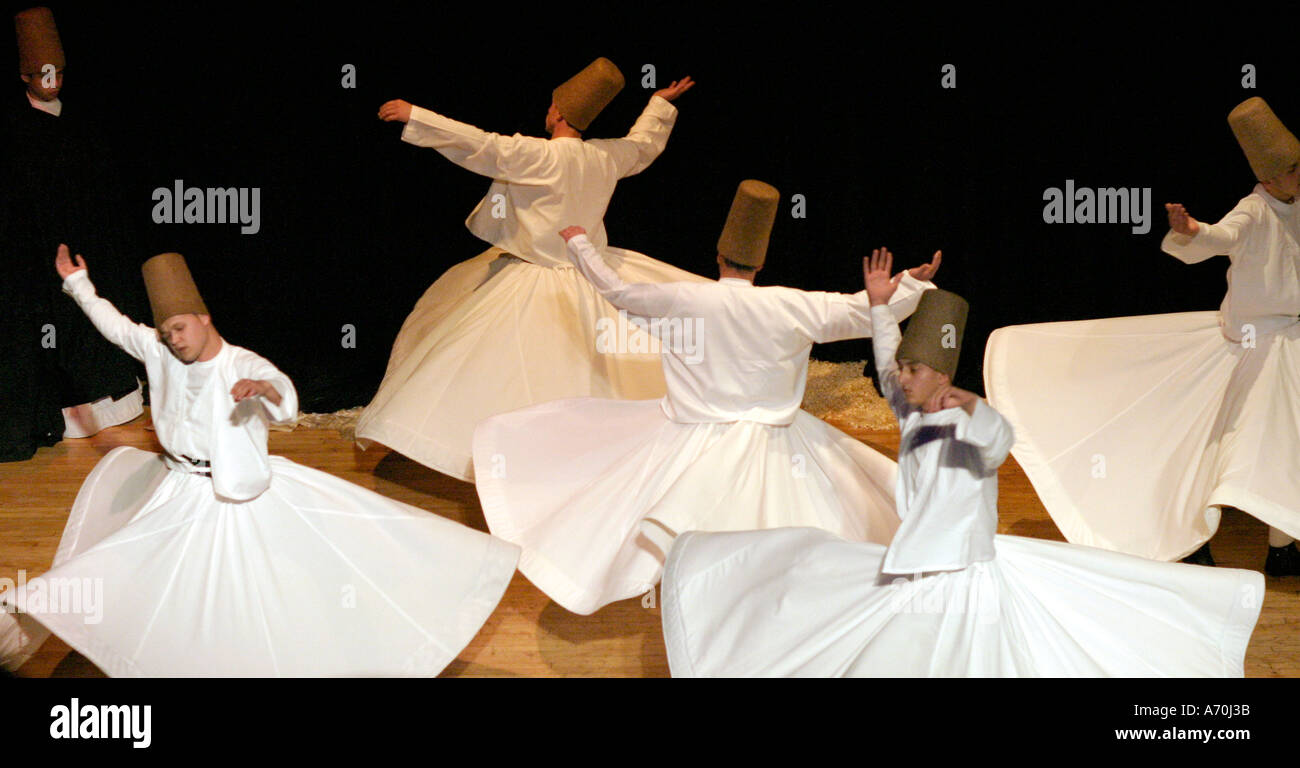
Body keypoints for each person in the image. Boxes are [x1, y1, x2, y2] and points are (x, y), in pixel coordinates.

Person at [657, 255, 1264, 677]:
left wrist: (974, 411)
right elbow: (890, 353)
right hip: (918, 571)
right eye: (903, 375)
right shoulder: (912, 411)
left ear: (943, 376)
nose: (900, 378)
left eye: (914, 374)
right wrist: (878, 304)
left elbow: (997, 442)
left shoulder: (969, 425)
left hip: (958, 574)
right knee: (804, 565)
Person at [0, 246, 520, 676]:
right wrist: (78, 285)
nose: (173, 339)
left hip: (234, 494)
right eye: (166, 332)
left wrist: (265, 391)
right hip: (178, 485)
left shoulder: (241, 362)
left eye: (181, 327)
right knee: (143, 570)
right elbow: (115, 327)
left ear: (204, 318)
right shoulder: (160, 350)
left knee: (257, 588)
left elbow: (288, 400)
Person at [471, 180, 939, 615]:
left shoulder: (684, 300)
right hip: (773, 441)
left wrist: (578, 243)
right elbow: (865, 310)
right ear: (760, 262)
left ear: (718, 255)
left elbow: (614, 289)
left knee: (657, 511)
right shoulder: (791, 304)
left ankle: (684, 593)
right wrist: (911, 285)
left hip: (688, 434)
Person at [984, 96, 1300, 574]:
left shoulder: (1295, 204)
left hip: (1289, 340)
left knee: (1282, 444)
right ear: (1270, 177)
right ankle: (1190, 536)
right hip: (1257, 343)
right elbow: (1223, 237)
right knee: (1233, 442)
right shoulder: (1254, 212)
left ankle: (1281, 547)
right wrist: (1194, 231)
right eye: (1294, 168)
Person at [356, 58, 707, 482]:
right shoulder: (604, 156)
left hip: (540, 274)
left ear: (558, 113)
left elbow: (480, 145)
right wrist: (658, 105)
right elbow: (643, 145)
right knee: (595, 368)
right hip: (596, 274)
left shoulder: (538, 155)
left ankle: (529, 458)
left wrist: (415, 115)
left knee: (510, 366)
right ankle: (587, 456)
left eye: (551, 105)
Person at [0, 7, 145, 463]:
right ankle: (51, 415)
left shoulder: (78, 122)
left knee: (87, 323)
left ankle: (103, 406)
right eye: (42, 74)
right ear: (25, 75)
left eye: (57, 73)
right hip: (33, 250)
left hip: (82, 241)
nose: (51, 81)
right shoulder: (15, 126)